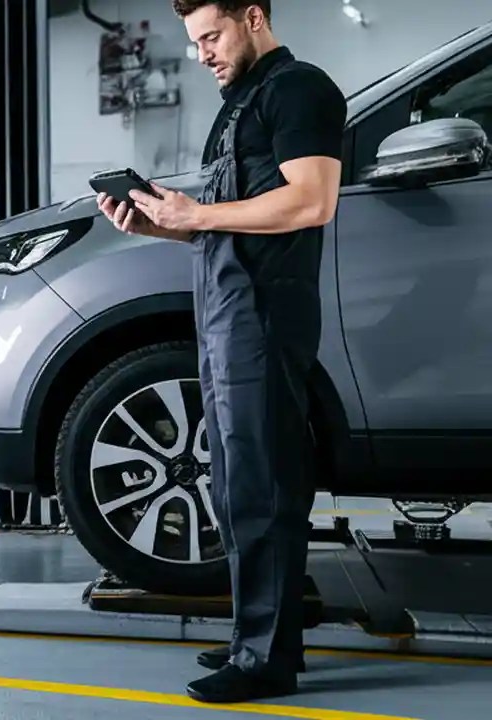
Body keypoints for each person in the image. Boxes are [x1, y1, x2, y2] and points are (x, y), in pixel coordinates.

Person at [94, 0, 347, 705]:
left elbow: (311, 200)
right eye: (195, 40)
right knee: (236, 486)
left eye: (211, 35)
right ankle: (256, 636)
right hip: (226, 313)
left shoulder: (300, 90)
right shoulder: (240, 105)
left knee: (263, 484)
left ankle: (265, 659)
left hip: (265, 316)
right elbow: (231, 222)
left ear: (255, 17)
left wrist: (198, 213)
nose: (201, 51)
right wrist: (164, 226)